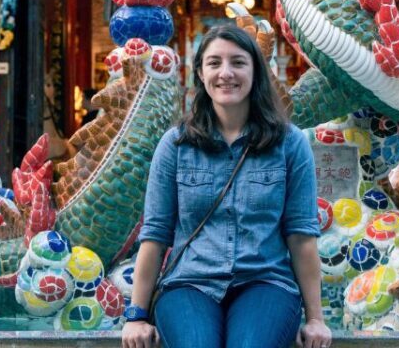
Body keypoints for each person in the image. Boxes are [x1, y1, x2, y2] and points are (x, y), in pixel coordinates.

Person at [121, 25, 331, 348]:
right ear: (201, 74)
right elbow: (155, 234)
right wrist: (136, 316)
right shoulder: (176, 145)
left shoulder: (290, 144)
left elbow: (301, 236)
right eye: (214, 63)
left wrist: (316, 319)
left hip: (265, 282)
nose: (226, 73)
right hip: (189, 284)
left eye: (238, 62)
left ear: (256, 71)